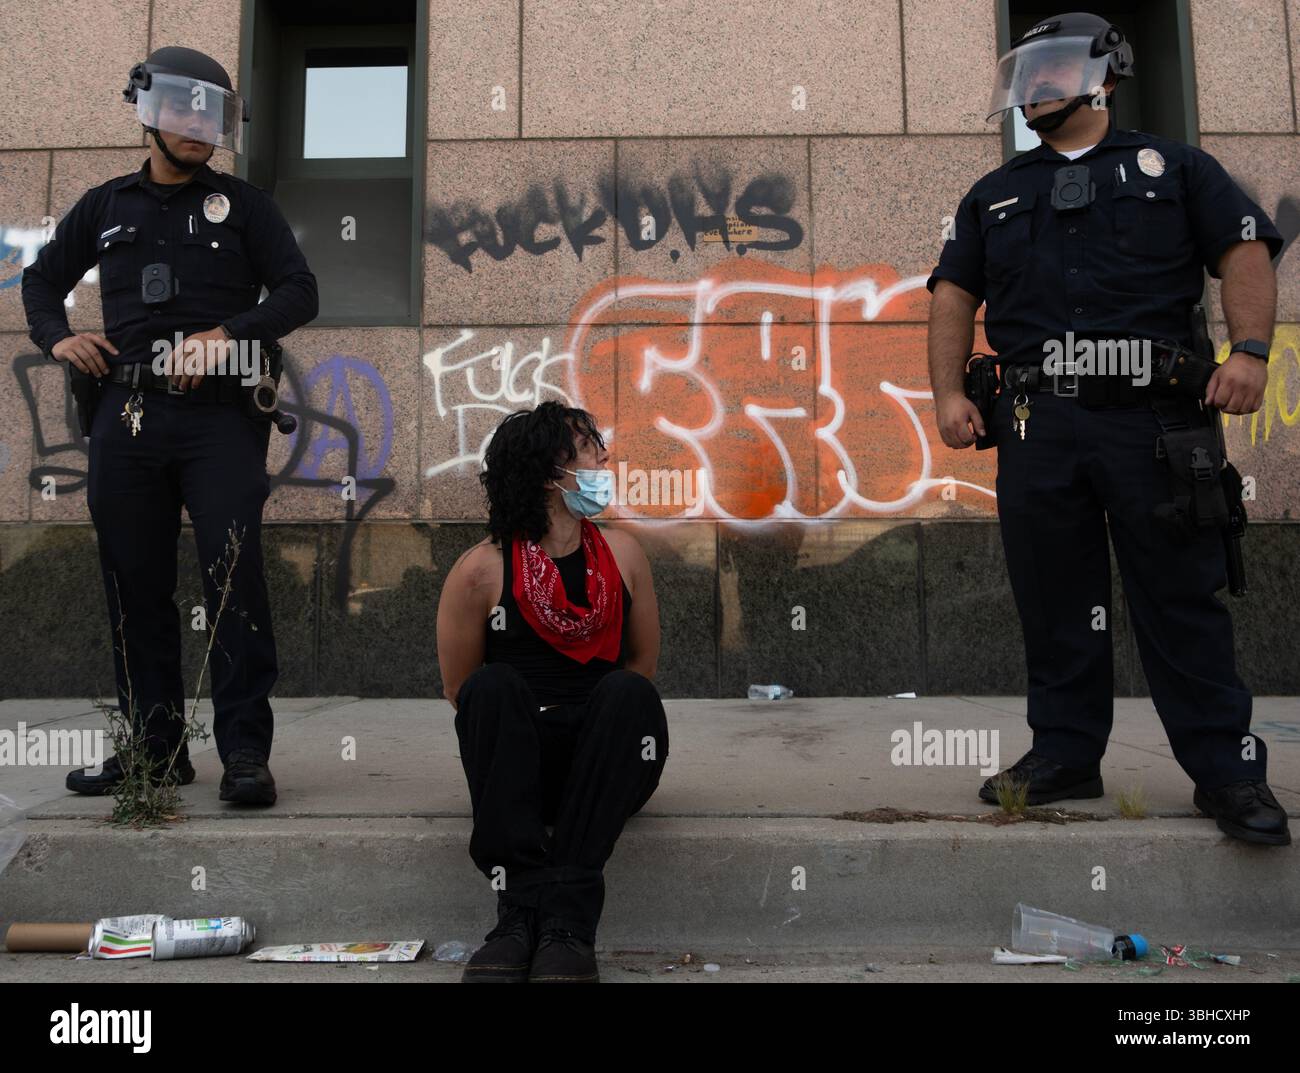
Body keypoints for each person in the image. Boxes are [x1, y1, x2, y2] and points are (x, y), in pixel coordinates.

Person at [926, 13, 1289, 845]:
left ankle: (1228, 772)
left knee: (1180, 598)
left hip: (1154, 425)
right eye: (1028, 75)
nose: (1036, 88)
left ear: (1105, 76)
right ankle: (1064, 754)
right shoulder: (996, 192)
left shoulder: (1178, 169)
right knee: (1054, 599)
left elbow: (1244, 252)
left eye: (1052, 71)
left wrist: (1253, 352)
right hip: (1035, 423)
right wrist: (948, 393)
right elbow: (952, 293)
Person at [22, 46, 318, 806]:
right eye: (184, 109)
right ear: (149, 112)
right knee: (134, 581)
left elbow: (300, 289)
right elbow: (41, 279)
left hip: (219, 418)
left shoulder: (245, 207)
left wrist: (228, 333)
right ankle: (154, 751)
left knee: (233, 572)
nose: (199, 125)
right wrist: (57, 336)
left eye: (212, 113)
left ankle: (245, 752)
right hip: (126, 414)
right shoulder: (106, 205)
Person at [436, 402, 668, 982]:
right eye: (589, 449)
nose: (604, 459)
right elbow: (458, 687)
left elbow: (643, 662)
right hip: (520, 771)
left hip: (605, 764)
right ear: (549, 474)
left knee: (628, 693)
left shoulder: (625, 555)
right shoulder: (480, 570)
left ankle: (567, 923)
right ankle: (517, 916)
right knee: (492, 686)